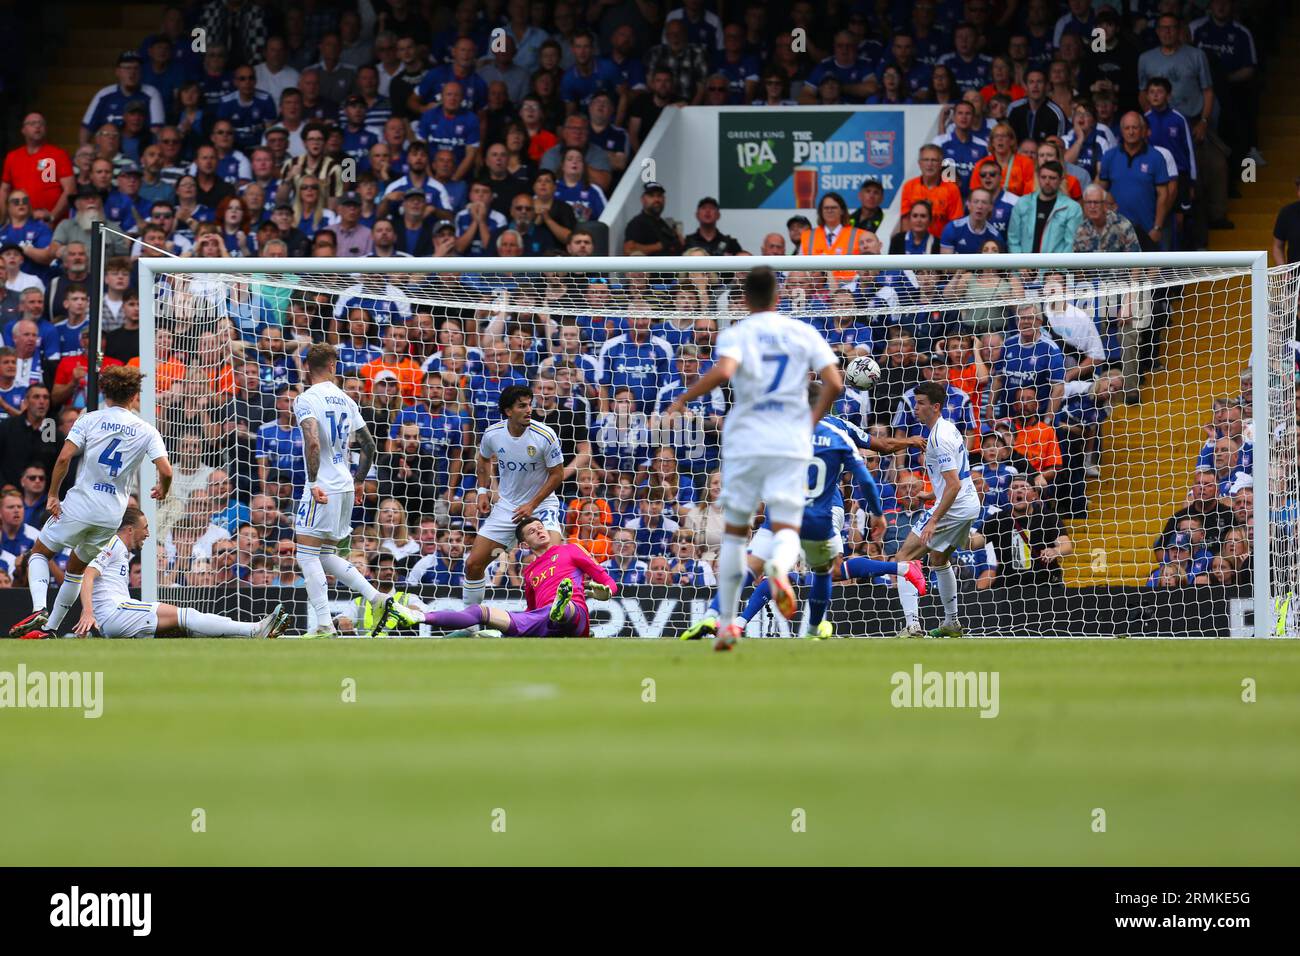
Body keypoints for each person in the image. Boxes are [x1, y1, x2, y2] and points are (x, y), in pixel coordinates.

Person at [666, 267, 843, 652]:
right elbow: (836, 382)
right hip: (788, 440)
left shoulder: (737, 333)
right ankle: (780, 566)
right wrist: (810, 420)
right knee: (784, 526)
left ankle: (727, 624)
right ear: (778, 297)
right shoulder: (802, 332)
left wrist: (685, 397)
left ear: (744, 300)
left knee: (735, 534)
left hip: (746, 441)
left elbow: (724, 371)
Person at [10, 367, 172, 640]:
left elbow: (63, 459)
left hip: (82, 503)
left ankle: (39, 609)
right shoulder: (147, 429)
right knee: (75, 568)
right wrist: (162, 489)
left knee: (38, 553)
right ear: (134, 395)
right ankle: (49, 630)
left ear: (106, 394)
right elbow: (166, 471)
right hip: (111, 516)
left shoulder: (90, 419)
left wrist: (52, 495)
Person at [293, 343, 400, 639]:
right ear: (332, 366)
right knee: (325, 553)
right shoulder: (346, 399)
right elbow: (369, 446)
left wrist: (313, 483)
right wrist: (359, 480)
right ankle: (378, 598)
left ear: (307, 367)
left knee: (306, 555)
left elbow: (313, 442)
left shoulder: (305, 399)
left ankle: (325, 624)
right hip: (345, 483)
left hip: (323, 485)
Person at [383, 516, 618, 638]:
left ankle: (561, 607)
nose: (539, 530)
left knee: (567, 608)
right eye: (532, 530)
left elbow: (608, 582)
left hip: (576, 618)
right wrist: (511, 628)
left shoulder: (571, 550)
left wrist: (605, 592)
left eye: (540, 526)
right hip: (544, 622)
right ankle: (418, 616)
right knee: (478, 612)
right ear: (525, 544)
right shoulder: (530, 572)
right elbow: (531, 611)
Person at [74, 507, 288, 639]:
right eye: (145, 527)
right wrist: (87, 612)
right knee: (188, 616)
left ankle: (250, 632)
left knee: (182, 629)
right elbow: (89, 574)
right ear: (130, 529)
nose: (148, 533)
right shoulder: (114, 543)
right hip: (116, 612)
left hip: (117, 617)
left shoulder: (119, 549)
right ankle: (254, 629)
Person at [460, 384, 566, 636]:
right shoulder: (493, 434)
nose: (529, 410)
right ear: (508, 411)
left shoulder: (545, 435)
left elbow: (557, 474)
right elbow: (484, 458)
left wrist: (532, 504)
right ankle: (470, 626)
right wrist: (484, 491)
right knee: (474, 564)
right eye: (522, 406)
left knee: (553, 562)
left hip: (542, 506)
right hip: (508, 507)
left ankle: (560, 624)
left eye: (530, 404)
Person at [888, 381, 984, 639]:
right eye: (915, 402)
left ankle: (912, 625)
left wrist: (932, 521)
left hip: (956, 505)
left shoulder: (939, 439)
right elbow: (957, 477)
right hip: (968, 504)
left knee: (904, 557)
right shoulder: (948, 428)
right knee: (938, 560)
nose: (915, 408)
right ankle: (952, 622)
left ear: (936, 406)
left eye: (921, 403)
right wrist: (931, 493)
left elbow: (952, 485)